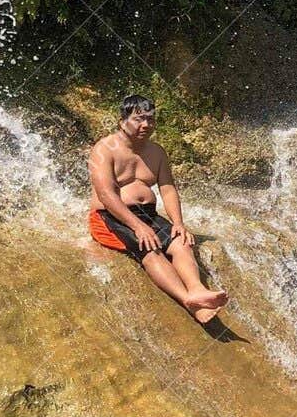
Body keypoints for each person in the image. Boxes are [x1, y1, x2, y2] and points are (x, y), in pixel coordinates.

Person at [88, 95, 228, 326]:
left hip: (147, 213)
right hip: (110, 215)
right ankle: (188, 301)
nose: (146, 125)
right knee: (151, 248)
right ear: (122, 121)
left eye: (150, 119)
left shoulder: (156, 152)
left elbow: (168, 188)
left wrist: (179, 223)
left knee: (180, 242)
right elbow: (106, 195)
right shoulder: (104, 149)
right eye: (139, 119)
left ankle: (197, 291)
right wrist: (138, 227)